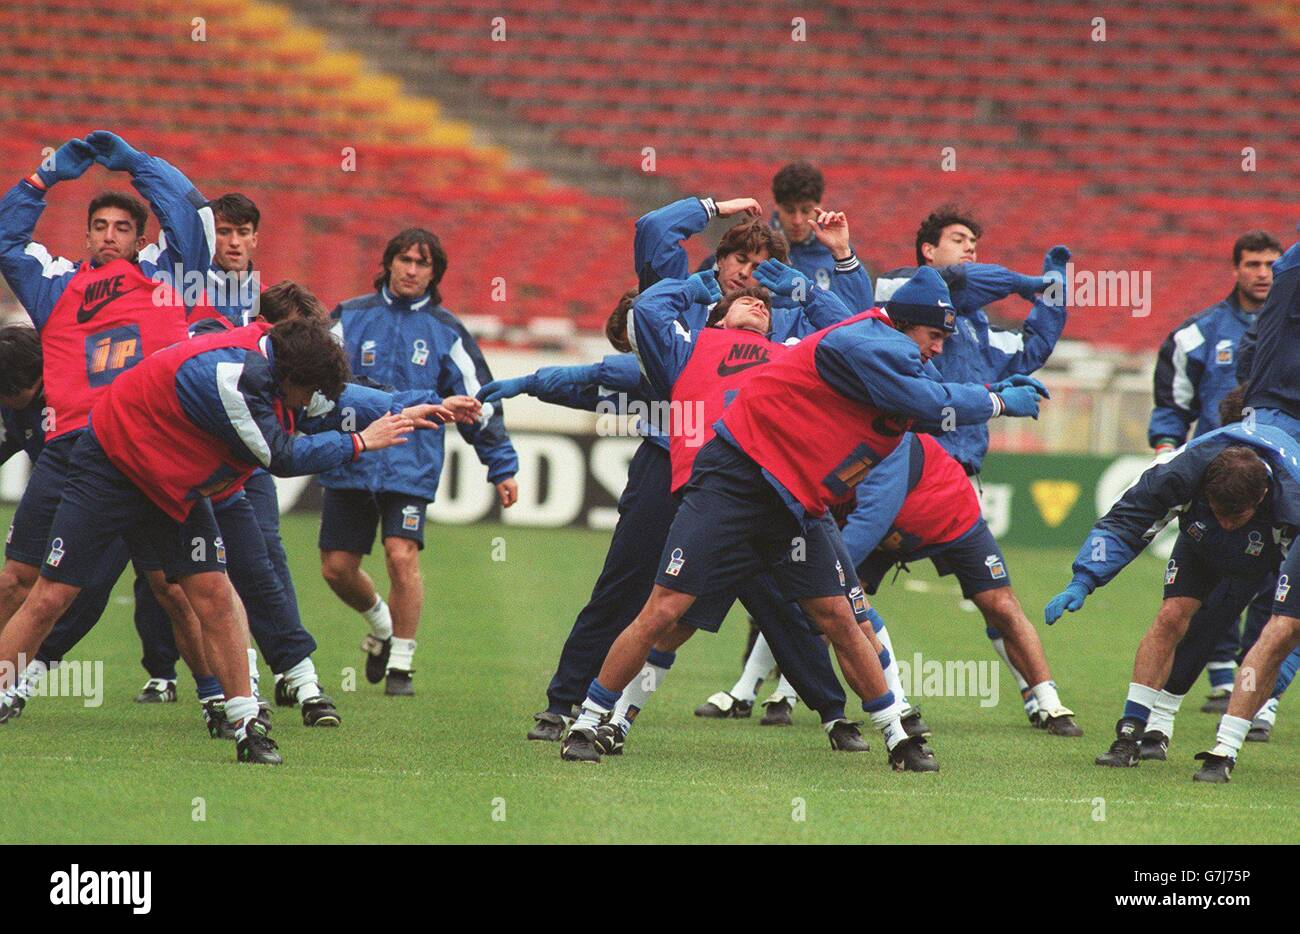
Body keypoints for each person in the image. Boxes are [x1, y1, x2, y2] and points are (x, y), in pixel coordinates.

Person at [560, 266, 1047, 769]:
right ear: (904, 327)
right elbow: (923, 399)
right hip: (738, 481)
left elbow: (924, 401)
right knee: (665, 610)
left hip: (794, 501)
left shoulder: (877, 345)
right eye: (934, 336)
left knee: (841, 616)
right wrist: (993, 400)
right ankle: (591, 722)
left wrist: (986, 389)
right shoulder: (865, 343)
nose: (939, 348)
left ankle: (896, 736)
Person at [0, 311, 461, 764]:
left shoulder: (279, 366)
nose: (308, 405)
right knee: (52, 595)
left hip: (173, 483)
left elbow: (336, 398)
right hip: (113, 467)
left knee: (214, 594)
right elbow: (279, 456)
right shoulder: (230, 378)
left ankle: (246, 725)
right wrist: (360, 441)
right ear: (288, 379)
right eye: (306, 394)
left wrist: (407, 404)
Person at [875, 205, 1070, 722]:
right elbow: (954, 281)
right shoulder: (899, 292)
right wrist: (1025, 280)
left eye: (974, 243)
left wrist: (1052, 295)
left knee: (998, 601)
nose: (969, 250)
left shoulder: (981, 327)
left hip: (957, 486)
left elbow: (1031, 352)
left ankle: (1045, 701)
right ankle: (763, 688)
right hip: (894, 473)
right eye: (959, 239)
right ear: (927, 249)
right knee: (831, 587)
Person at [319, 228, 518, 695]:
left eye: (422, 263)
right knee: (337, 568)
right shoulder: (348, 317)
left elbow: (477, 401)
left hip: (411, 463)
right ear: (388, 263)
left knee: (400, 554)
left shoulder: (446, 331)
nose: (412, 270)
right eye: (405, 259)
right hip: (354, 456)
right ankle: (381, 625)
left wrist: (502, 465)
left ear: (435, 272)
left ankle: (402, 665)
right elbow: (316, 379)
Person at [1043, 424, 1300, 768]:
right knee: (1171, 616)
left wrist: (1290, 655)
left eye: (1234, 516)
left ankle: (1225, 747)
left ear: (1262, 495)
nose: (1225, 524)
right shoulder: (1180, 471)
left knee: (1270, 634)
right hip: (1198, 542)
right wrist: (1084, 579)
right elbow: (1125, 521)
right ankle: (1131, 733)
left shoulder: (1292, 497)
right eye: (1218, 512)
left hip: (1263, 555)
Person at [1152, 231, 1283, 710]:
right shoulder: (1197, 334)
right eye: (1253, 263)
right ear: (1236, 269)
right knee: (1213, 573)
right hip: (1217, 479)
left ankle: (1257, 686)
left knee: (1274, 583)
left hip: (1278, 480)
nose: (1263, 273)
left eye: (1272, 264)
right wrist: (1167, 448)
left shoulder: (1288, 331)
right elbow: (1172, 402)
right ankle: (1223, 673)